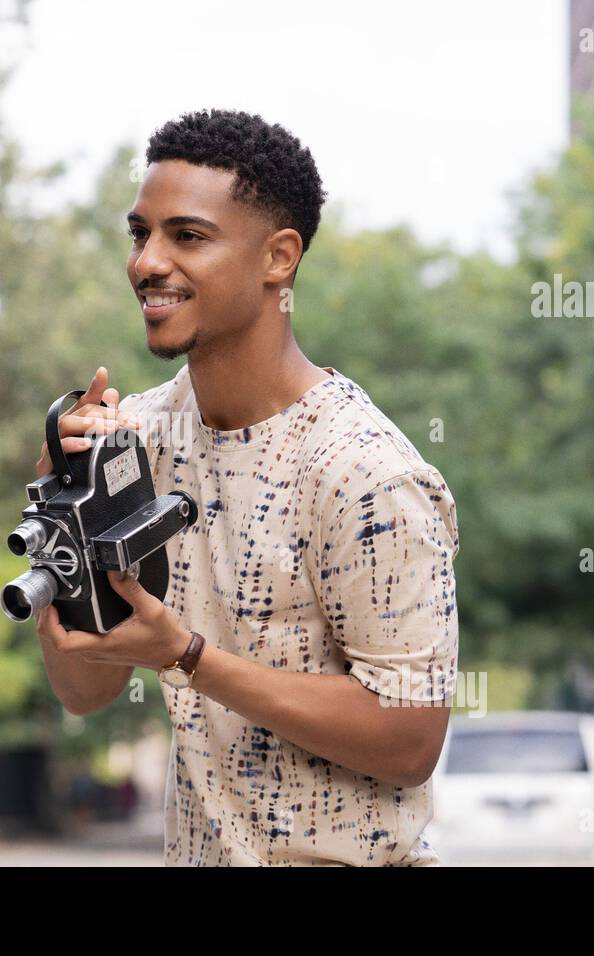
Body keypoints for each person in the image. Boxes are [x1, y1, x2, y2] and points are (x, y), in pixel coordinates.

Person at [33, 109, 459, 866]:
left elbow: (409, 738)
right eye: (140, 234)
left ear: (279, 258)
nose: (147, 263)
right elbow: (84, 690)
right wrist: (64, 526)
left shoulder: (365, 472)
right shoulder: (137, 440)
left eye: (187, 237)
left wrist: (187, 655)